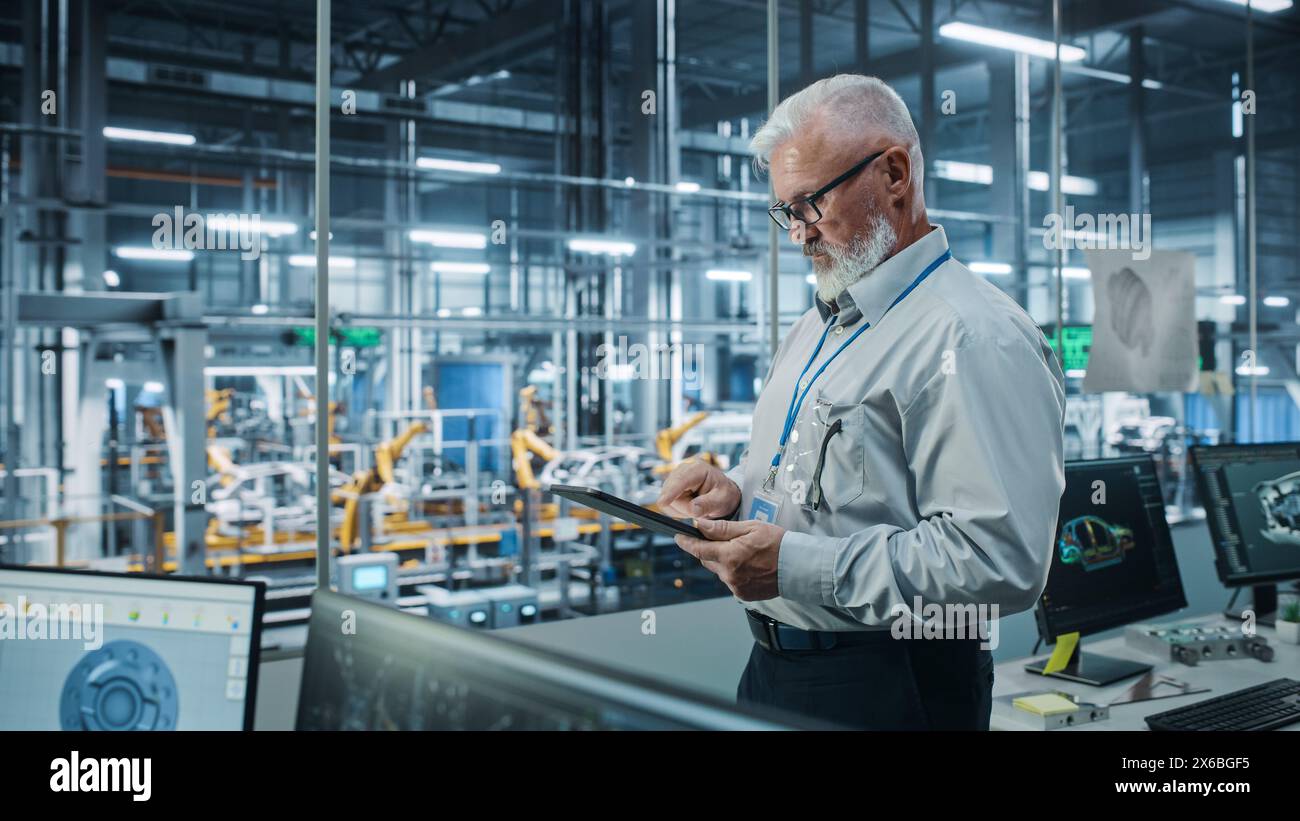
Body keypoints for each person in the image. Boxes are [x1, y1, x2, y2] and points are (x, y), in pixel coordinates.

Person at [657, 74, 1066, 730]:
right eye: (785, 211)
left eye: (810, 204)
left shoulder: (971, 333)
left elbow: (1001, 559)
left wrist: (791, 564)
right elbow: (836, 488)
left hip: (893, 683)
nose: (798, 234)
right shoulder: (821, 319)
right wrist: (734, 494)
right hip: (774, 669)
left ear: (895, 174)